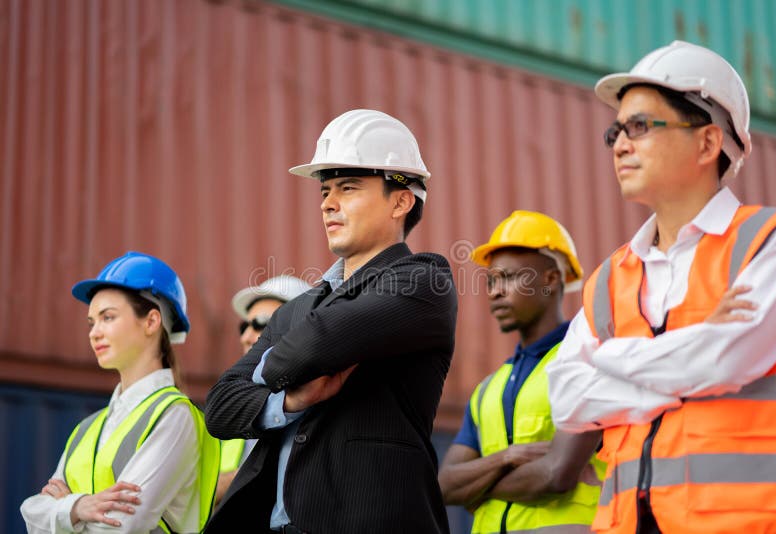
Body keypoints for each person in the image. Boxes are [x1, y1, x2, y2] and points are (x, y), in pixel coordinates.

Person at [546, 40, 776, 534]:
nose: (620, 144)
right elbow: (566, 398)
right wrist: (686, 370)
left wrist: (609, 356)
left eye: (639, 126)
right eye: (615, 130)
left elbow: (725, 361)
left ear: (707, 144)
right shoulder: (609, 278)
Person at [204, 109, 458, 533]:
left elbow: (314, 344)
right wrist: (289, 401)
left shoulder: (423, 281)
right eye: (325, 191)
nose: (327, 203)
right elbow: (219, 408)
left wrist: (263, 371)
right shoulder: (297, 307)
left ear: (401, 200)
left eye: (349, 187)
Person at [20, 251, 220, 533]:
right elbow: (31, 516)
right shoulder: (86, 429)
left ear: (151, 322)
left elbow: (122, 526)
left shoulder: (175, 416)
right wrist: (79, 507)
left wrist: (63, 513)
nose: (94, 332)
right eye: (91, 322)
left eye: (108, 318)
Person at [439, 210, 605, 533]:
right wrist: (507, 457)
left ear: (551, 279)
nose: (493, 292)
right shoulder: (487, 390)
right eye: (490, 281)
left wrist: (478, 487)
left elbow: (556, 475)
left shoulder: (587, 361)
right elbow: (445, 485)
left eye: (509, 277)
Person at [217, 275, 311, 505]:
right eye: (244, 326)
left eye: (261, 324)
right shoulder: (232, 405)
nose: (246, 336)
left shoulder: (317, 409)